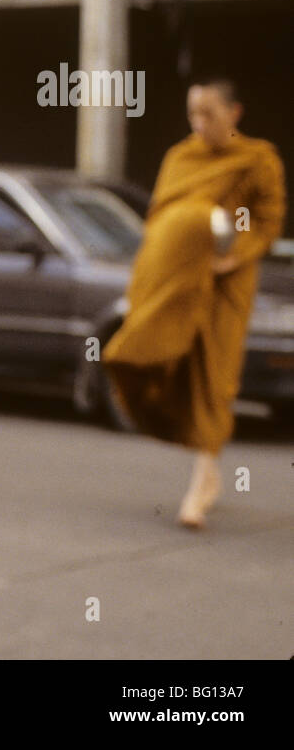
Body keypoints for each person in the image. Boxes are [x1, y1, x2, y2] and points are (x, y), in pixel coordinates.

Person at [103, 78, 285, 529]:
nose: (199, 124)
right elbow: (159, 220)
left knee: (215, 372)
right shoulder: (179, 158)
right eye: (193, 114)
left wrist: (234, 255)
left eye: (209, 114)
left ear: (234, 113)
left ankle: (202, 481)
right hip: (174, 282)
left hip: (226, 282)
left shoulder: (257, 159)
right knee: (139, 355)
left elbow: (265, 222)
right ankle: (186, 442)